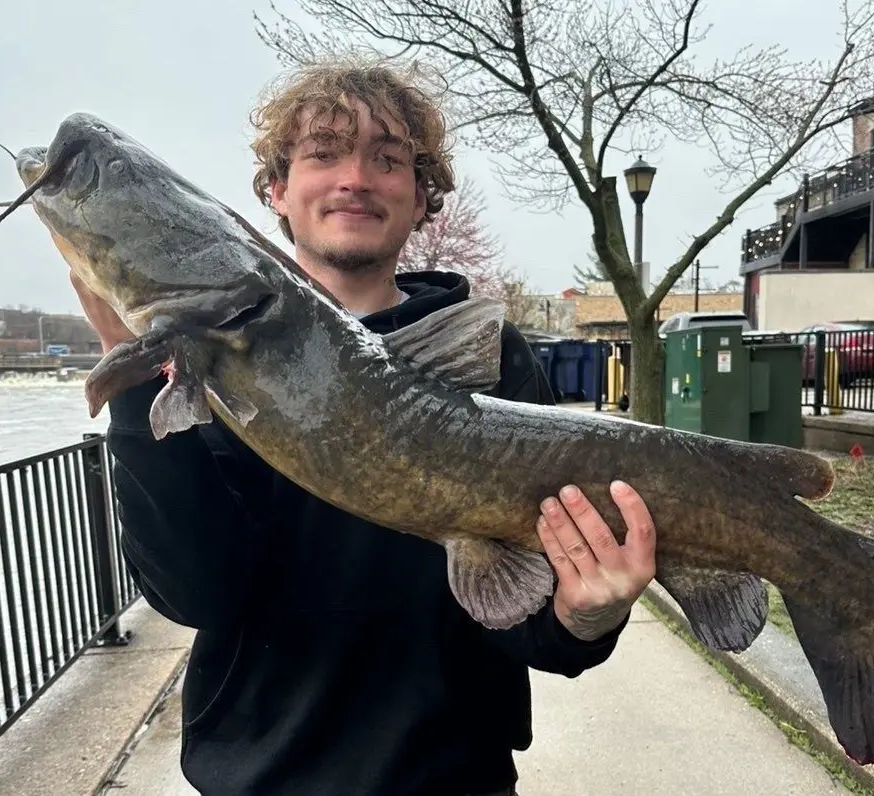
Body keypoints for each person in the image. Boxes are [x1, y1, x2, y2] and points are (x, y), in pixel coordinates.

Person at [69, 59, 659, 796]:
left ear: (422, 197)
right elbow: (197, 594)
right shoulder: (209, 357)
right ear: (277, 191)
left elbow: (532, 627)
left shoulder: (492, 355)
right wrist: (131, 378)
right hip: (258, 778)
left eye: (387, 159)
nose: (355, 177)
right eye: (324, 152)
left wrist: (587, 616)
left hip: (457, 778)